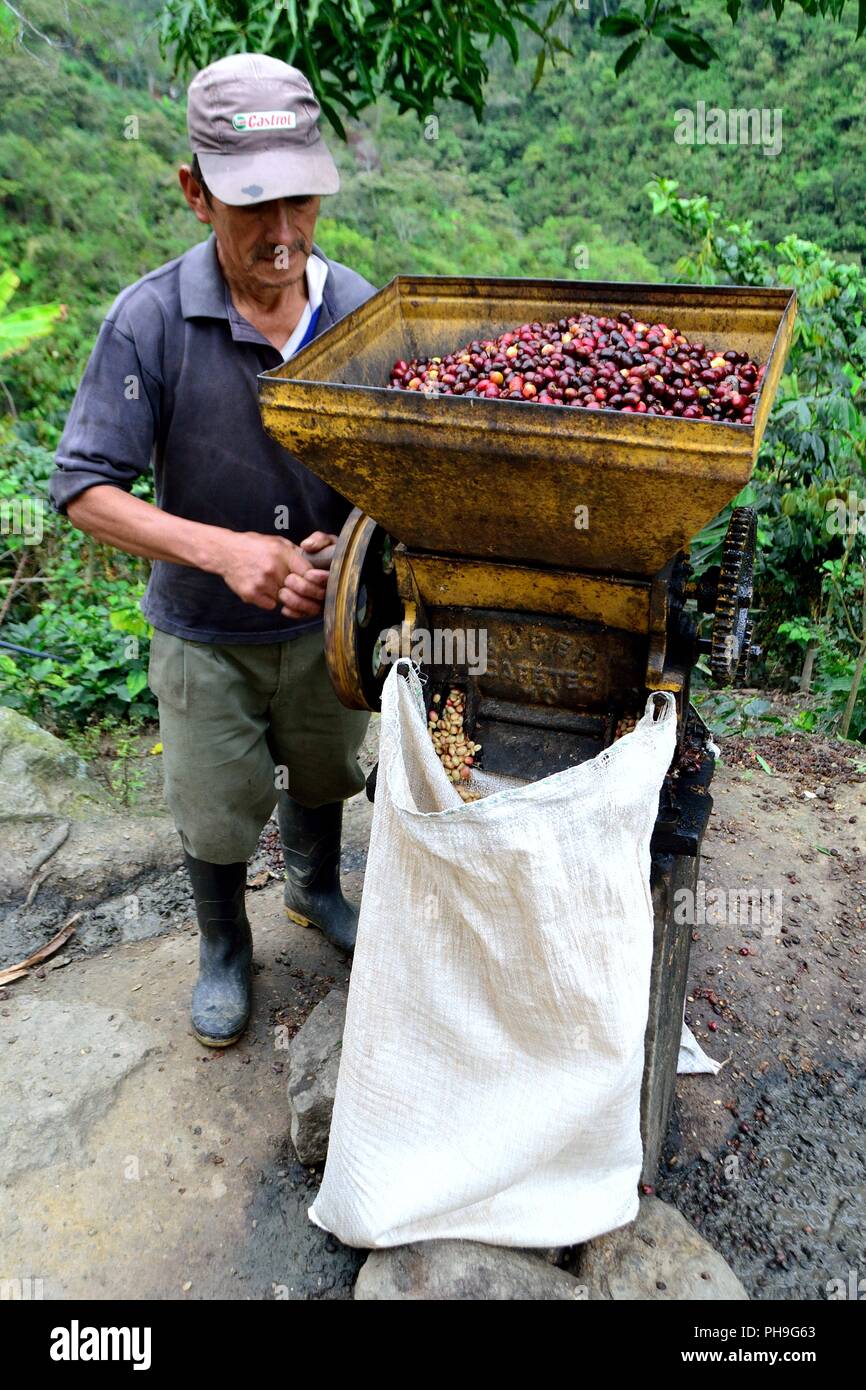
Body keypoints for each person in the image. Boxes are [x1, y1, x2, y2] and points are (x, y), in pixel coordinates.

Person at [50, 53, 377, 1048]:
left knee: (325, 764)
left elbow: (393, 471)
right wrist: (222, 551)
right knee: (216, 805)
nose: (283, 234)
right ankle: (224, 943)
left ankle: (315, 887)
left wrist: (356, 534)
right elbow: (82, 490)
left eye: (300, 201)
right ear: (195, 192)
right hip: (204, 633)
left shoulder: (359, 310)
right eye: (251, 207)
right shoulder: (151, 320)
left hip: (324, 624)